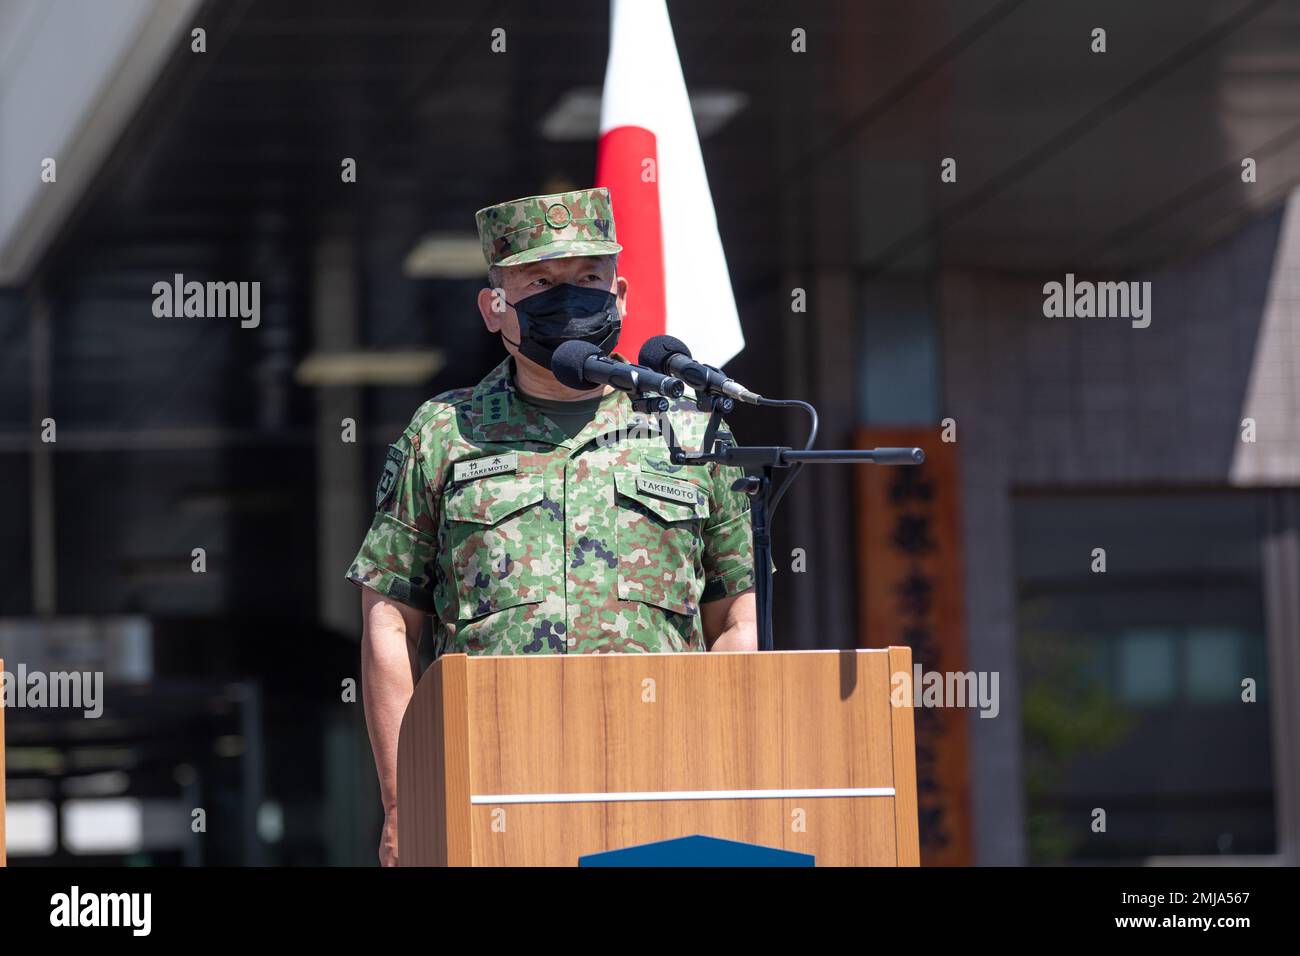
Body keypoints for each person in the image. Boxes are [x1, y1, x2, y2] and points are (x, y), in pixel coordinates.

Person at [346, 187, 756, 864]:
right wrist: (401, 802)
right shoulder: (444, 434)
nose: (570, 299)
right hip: (490, 787)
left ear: (621, 295)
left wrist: (714, 767)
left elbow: (736, 620)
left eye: (589, 279)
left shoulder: (689, 431)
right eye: (540, 281)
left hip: (660, 786)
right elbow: (389, 623)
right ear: (493, 307)